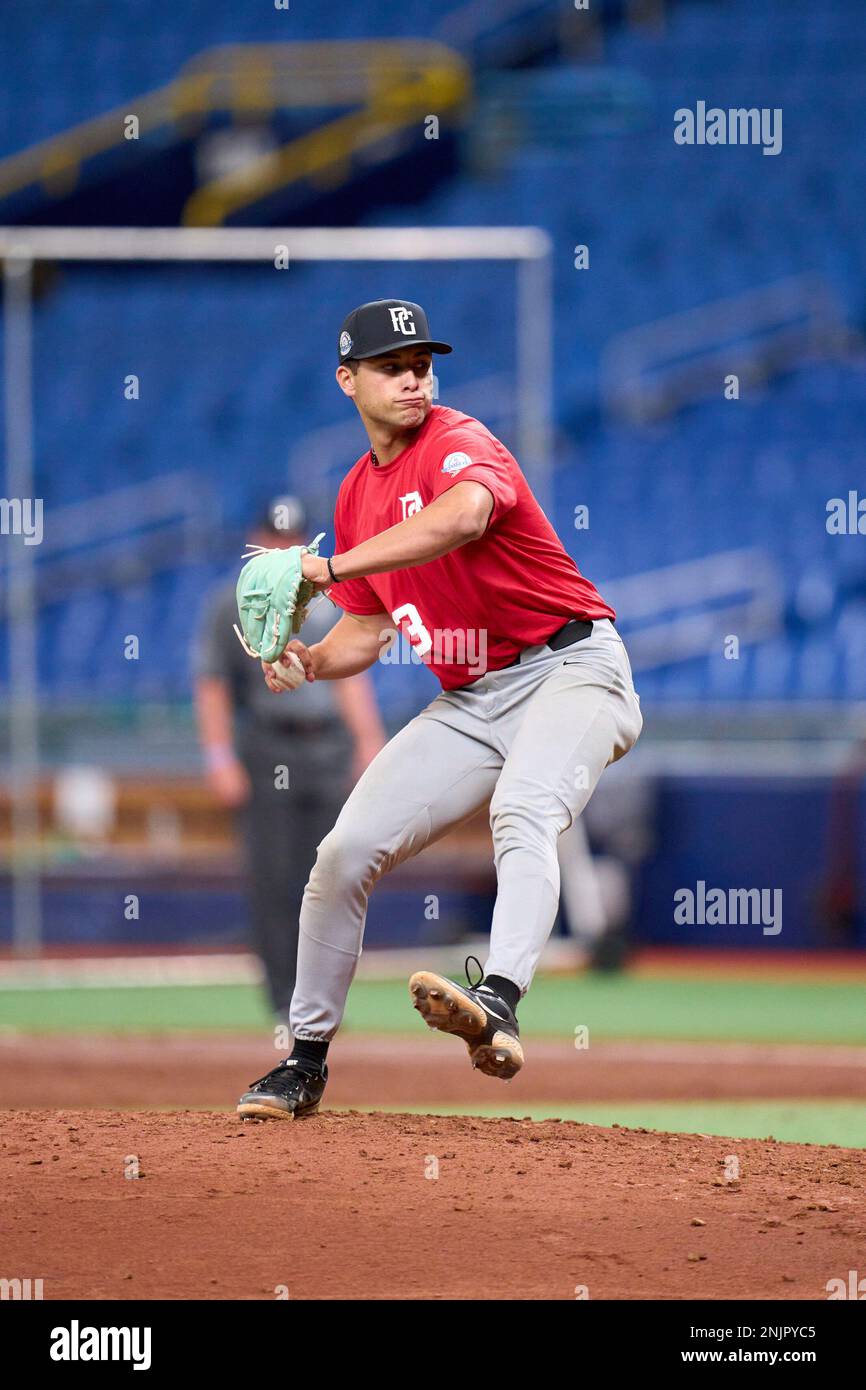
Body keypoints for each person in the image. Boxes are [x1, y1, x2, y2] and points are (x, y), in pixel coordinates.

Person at [237, 299, 642, 1120]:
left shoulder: (460, 442)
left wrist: (323, 567)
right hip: (472, 700)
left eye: (422, 362)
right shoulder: (355, 494)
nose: (413, 376)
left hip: (571, 668)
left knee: (525, 810)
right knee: (343, 854)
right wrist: (310, 661)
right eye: (392, 365)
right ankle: (303, 1063)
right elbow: (366, 625)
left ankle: (498, 998)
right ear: (348, 380)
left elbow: (463, 517)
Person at [194, 495, 386, 1025]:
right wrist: (219, 757)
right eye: (273, 538)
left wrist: (368, 740)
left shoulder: (326, 599)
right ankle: (285, 1000)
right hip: (268, 745)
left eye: (290, 538)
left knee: (328, 872)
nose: (282, 547)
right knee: (273, 878)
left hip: (327, 747)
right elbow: (212, 687)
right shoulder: (230, 604)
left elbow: (353, 676)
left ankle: (320, 1001)